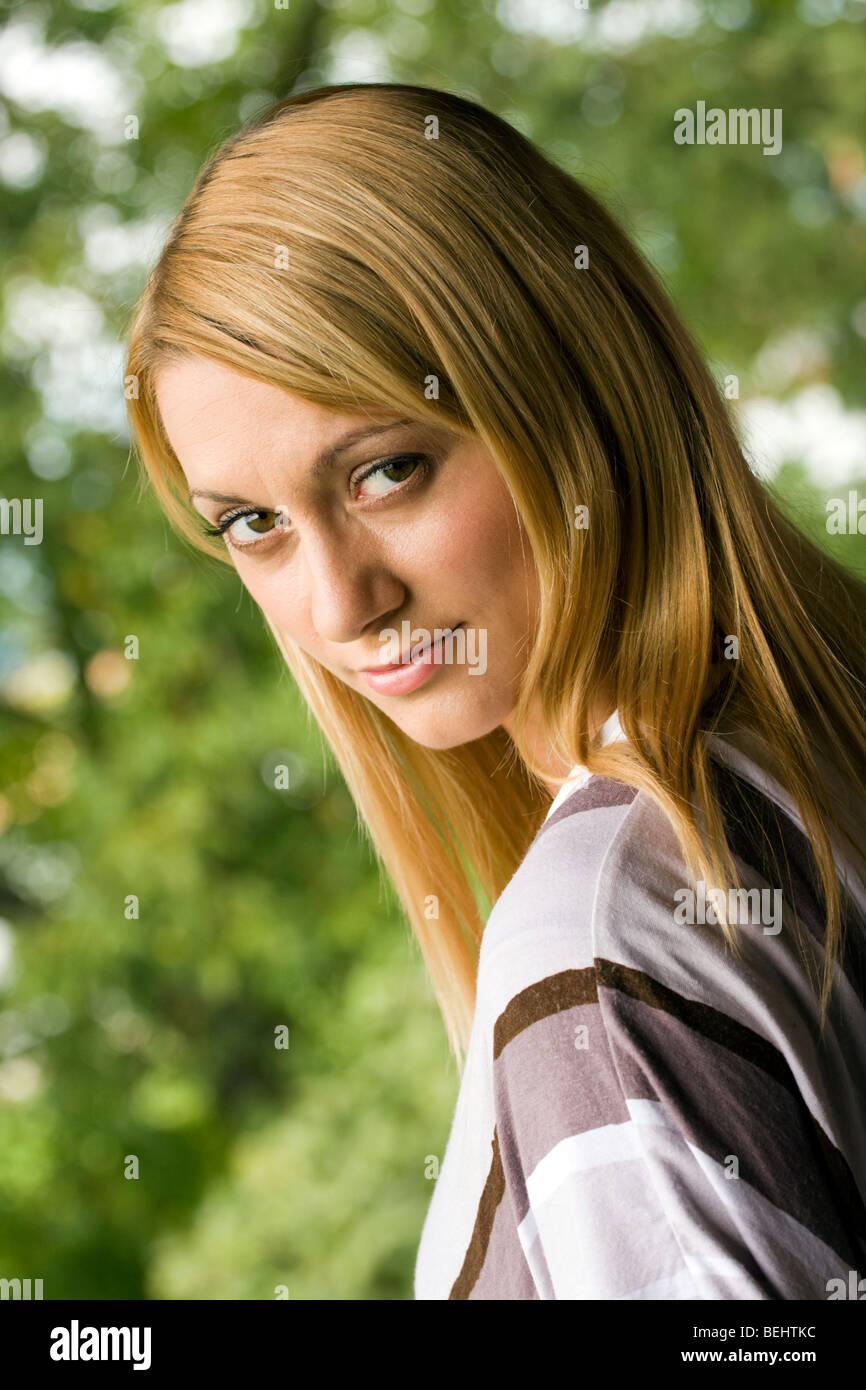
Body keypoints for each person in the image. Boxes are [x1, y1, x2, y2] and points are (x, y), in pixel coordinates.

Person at [124, 82, 866, 1300]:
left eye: (384, 472)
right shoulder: (801, 771)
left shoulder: (599, 938)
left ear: (566, 390)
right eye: (253, 523)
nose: (337, 604)